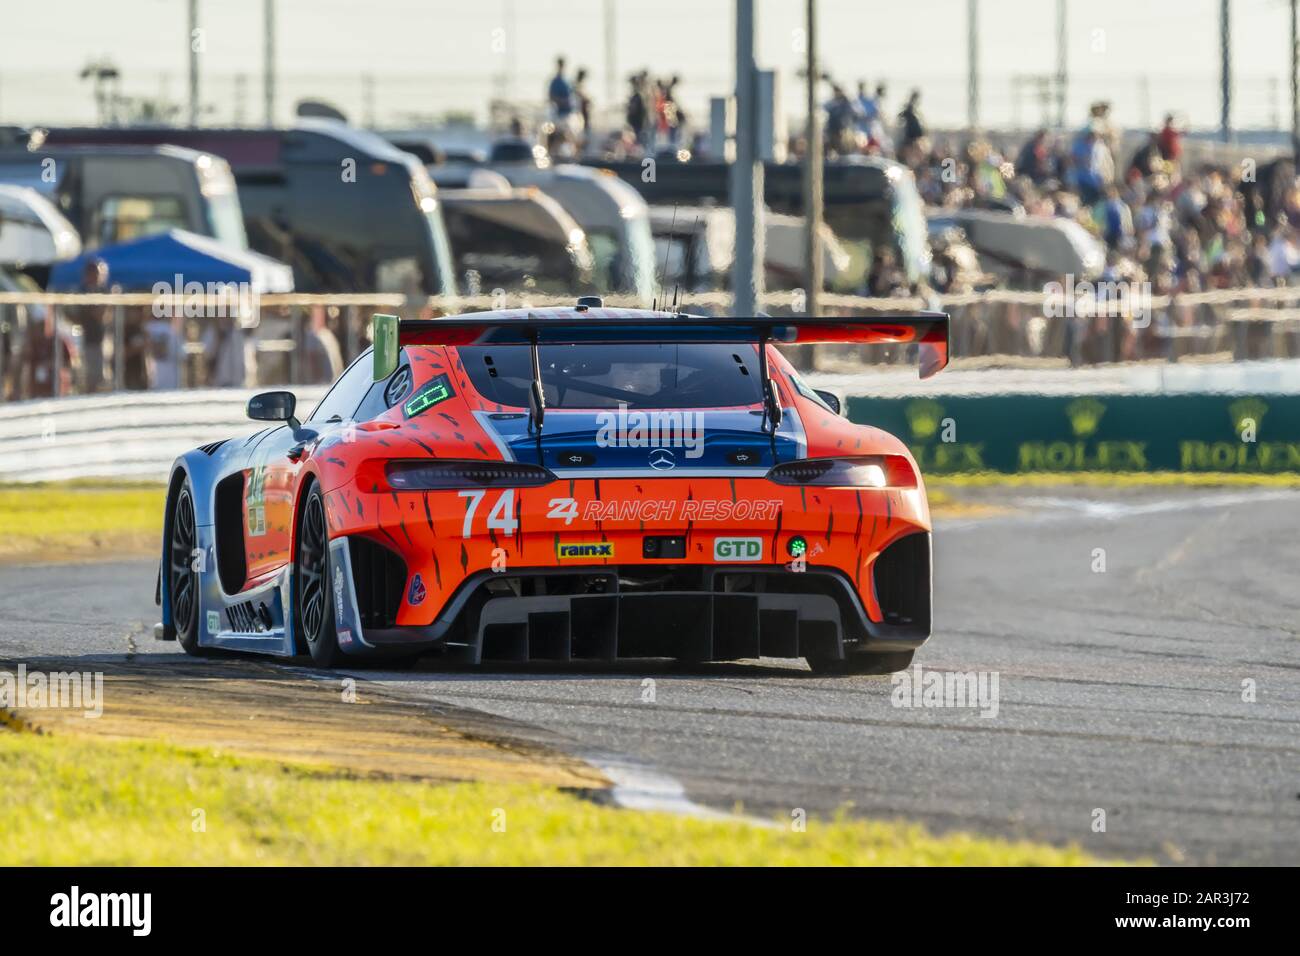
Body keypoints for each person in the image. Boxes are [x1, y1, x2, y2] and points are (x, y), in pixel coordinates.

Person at [547, 57, 573, 121]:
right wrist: (563, 101)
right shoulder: (556, 81)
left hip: (569, 113)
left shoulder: (567, 80)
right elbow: (551, 97)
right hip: (559, 114)